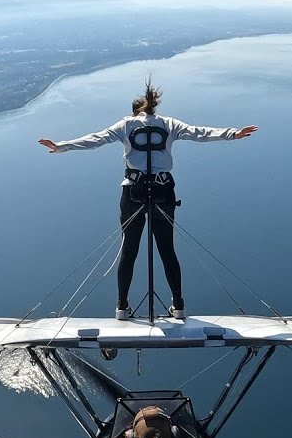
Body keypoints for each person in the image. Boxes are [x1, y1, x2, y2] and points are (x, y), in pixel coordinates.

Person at [38, 81, 257, 320]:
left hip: (133, 191)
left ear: (135, 112)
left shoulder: (126, 124)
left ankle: (122, 307)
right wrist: (232, 134)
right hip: (163, 190)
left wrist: (62, 146)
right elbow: (199, 133)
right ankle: (179, 306)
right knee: (167, 250)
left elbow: (96, 139)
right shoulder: (170, 123)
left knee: (129, 250)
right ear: (154, 110)